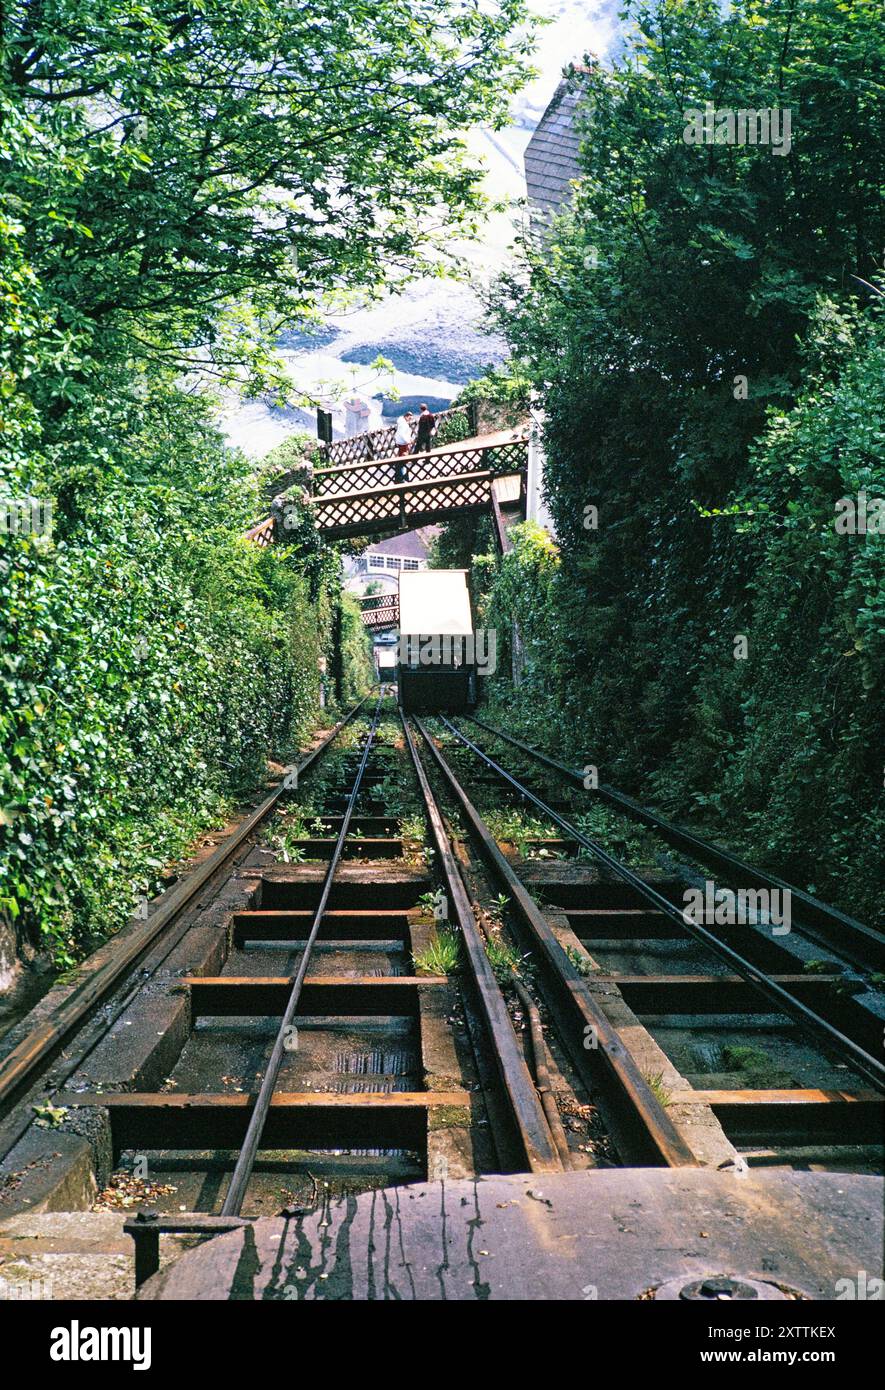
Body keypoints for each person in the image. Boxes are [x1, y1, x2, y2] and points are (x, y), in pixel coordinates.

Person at [394, 410, 413, 482]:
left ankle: (402, 474)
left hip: (401, 442)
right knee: (403, 458)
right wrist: (407, 441)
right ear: (406, 416)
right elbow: (403, 434)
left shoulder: (402, 422)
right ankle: (403, 475)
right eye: (409, 418)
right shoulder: (404, 424)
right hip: (403, 443)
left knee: (402, 457)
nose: (410, 420)